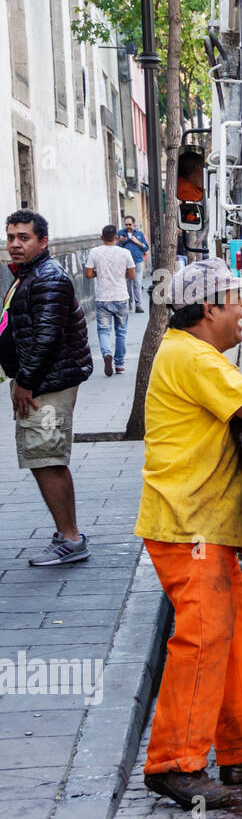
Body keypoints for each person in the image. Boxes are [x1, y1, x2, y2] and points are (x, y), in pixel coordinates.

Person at [136, 258, 242, 809]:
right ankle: (172, 762)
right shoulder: (190, 356)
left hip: (201, 526)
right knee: (204, 642)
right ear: (208, 308)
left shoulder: (194, 355)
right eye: (236, 299)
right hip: (189, 527)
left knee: (234, 641)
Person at [2, 210, 93, 566]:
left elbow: (46, 338)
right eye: (11, 237)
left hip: (46, 384)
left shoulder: (48, 277)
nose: (14, 244)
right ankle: (66, 533)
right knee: (45, 457)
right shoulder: (30, 275)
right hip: (42, 381)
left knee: (47, 457)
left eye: (23, 237)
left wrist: (25, 382)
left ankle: (71, 539)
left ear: (43, 242)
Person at [85, 224, 137, 376]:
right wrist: (121, 275)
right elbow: (132, 275)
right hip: (121, 296)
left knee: (103, 331)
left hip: (103, 297)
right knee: (121, 332)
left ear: (101, 237)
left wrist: (99, 273)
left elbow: (88, 274)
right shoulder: (125, 252)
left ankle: (107, 353)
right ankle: (119, 364)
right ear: (116, 238)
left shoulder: (94, 252)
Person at [116, 215, 150, 313]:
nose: (128, 226)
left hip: (138, 261)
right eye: (126, 224)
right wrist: (120, 241)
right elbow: (116, 247)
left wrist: (137, 242)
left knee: (137, 283)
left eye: (130, 224)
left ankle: (138, 305)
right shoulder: (120, 233)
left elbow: (146, 248)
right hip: (125, 263)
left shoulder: (139, 234)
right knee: (128, 284)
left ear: (133, 224)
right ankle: (130, 303)